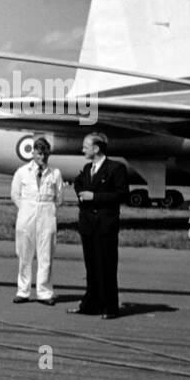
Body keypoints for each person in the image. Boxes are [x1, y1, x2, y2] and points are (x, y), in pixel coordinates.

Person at [71, 132, 128, 319]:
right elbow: (78, 184)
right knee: (91, 267)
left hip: (105, 226)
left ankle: (110, 307)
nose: (82, 150)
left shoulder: (116, 168)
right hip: (88, 225)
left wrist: (94, 197)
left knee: (107, 267)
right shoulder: (88, 168)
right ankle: (90, 304)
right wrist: (83, 195)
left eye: (85, 146)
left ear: (96, 148)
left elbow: (121, 194)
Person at [10, 137, 63, 304]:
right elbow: (15, 195)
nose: (42, 158)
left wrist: (46, 209)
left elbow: (59, 198)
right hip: (27, 215)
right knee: (24, 255)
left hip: (47, 215)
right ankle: (23, 291)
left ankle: (44, 292)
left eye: (45, 154)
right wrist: (26, 208)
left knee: (46, 254)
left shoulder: (55, 173)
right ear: (33, 153)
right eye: (39, 154)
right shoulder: (22, 172)